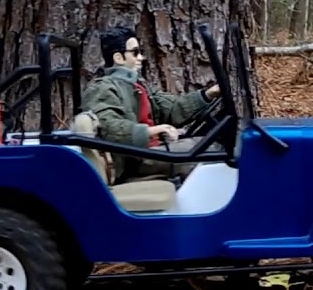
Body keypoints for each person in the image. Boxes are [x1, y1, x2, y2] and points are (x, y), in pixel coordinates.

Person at [80, 25, 220, 181]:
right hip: (135, 159)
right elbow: (109, 128)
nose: (140, 58)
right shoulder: (103, 88)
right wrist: (151, 131)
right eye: (135, 53)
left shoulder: (137, 84)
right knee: (216, 147)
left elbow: (172, 108)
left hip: (148, 152)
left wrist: (208, 94)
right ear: (118, 58)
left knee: (215, 140)